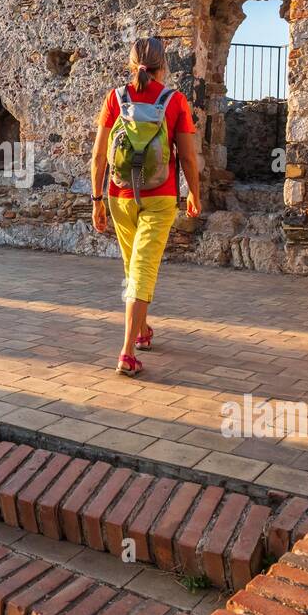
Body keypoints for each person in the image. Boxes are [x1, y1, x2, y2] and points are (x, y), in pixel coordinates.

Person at [90, 36, 201, 376]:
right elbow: (187, 158)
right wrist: (194, 191)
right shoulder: (175, 101)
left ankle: (142, 330)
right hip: (160, 196)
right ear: (162, 66)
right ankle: (126, 352)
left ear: (132, 63)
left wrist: (96, 200)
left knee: (132, 266)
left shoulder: (116, 98)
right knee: (143, 269)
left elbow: (98, 157)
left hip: (119, 196)